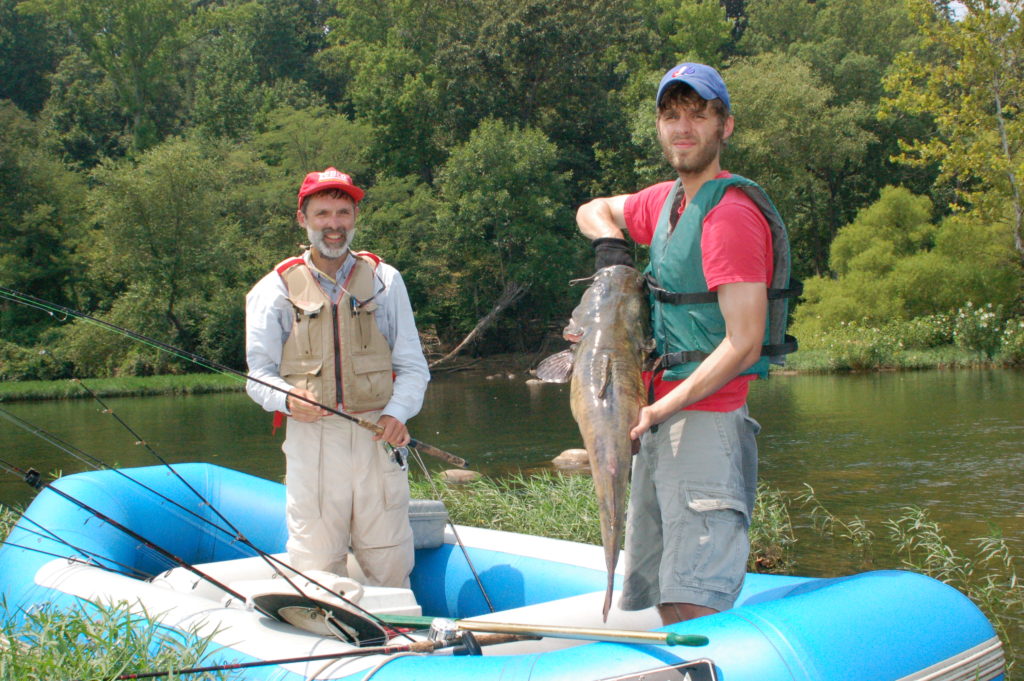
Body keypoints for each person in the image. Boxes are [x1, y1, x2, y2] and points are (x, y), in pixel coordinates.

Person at [575, 63, 798, 623]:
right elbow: (594, 209)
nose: (682, 128)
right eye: (671, 116)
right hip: (657, 421)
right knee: (664, 591)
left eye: (698, 116)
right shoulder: (667, 201)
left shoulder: (729, 216)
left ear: (725, 126)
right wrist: (611, 244)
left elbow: (744, 343)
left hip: (701, 422)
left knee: (693, 595)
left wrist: (658, 409)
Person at [245, 167, 430, 588]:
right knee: (315, 564)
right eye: (323, 213)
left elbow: (414, 366)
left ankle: (400, 639)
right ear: (303, 219)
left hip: (377, 437)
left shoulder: (386, 280)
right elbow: (258, 376)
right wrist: (287, 398)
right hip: (313, 443)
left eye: (343, 212)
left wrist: (398, 414)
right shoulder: (272, 288)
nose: (334, 224)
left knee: (388, 564)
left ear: (354, 218)